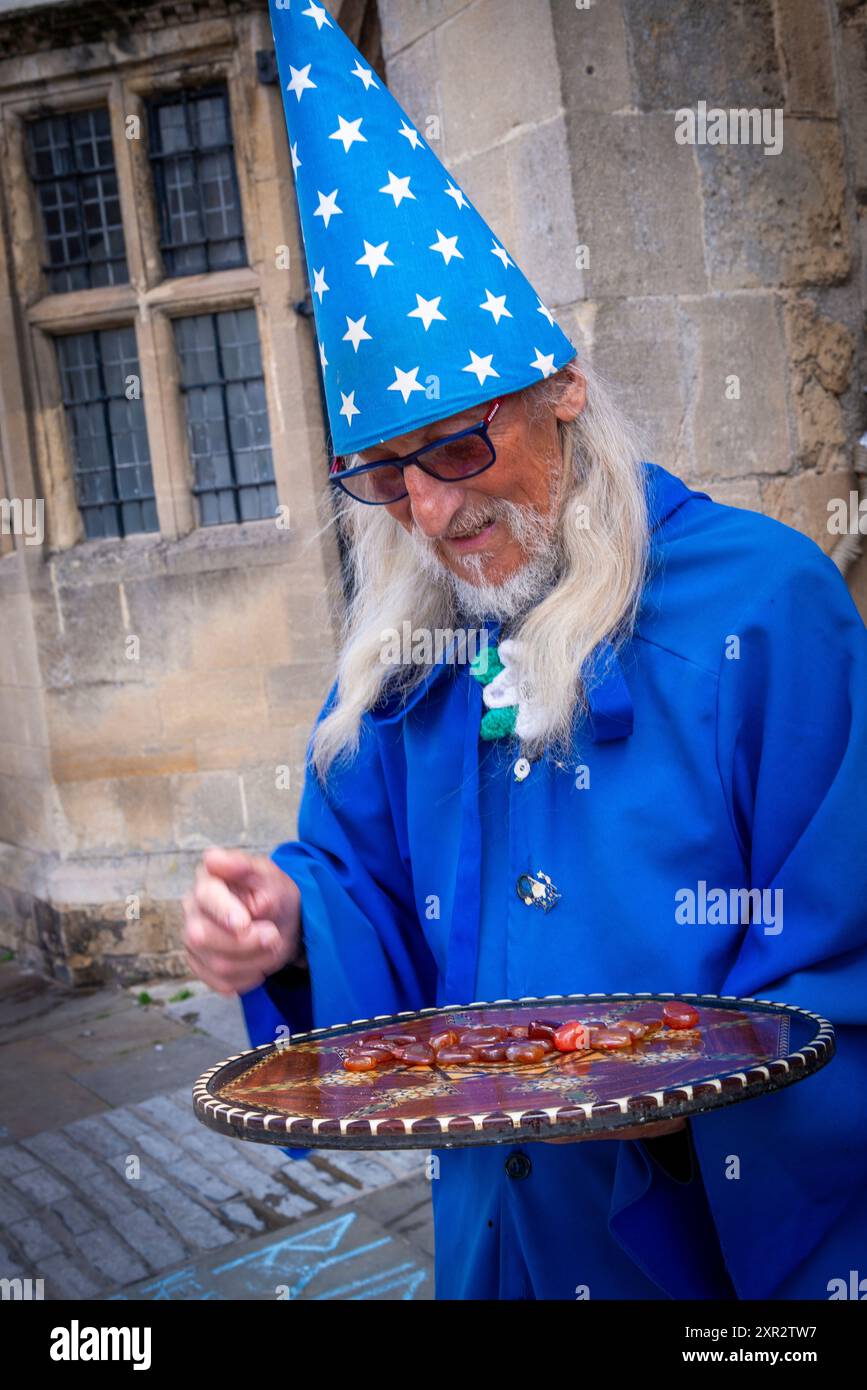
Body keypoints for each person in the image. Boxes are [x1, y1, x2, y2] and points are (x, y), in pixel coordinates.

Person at [183, 2, 867, 1299]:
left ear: (562, 391)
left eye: (460, 446)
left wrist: (680, 1100)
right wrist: (282, 925)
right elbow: (356, 877)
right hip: (494, 1256)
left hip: (705, 1263)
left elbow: (850, 955)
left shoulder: (772, 608)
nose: (435, 511)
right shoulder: (403, 643)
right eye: (385, 475)